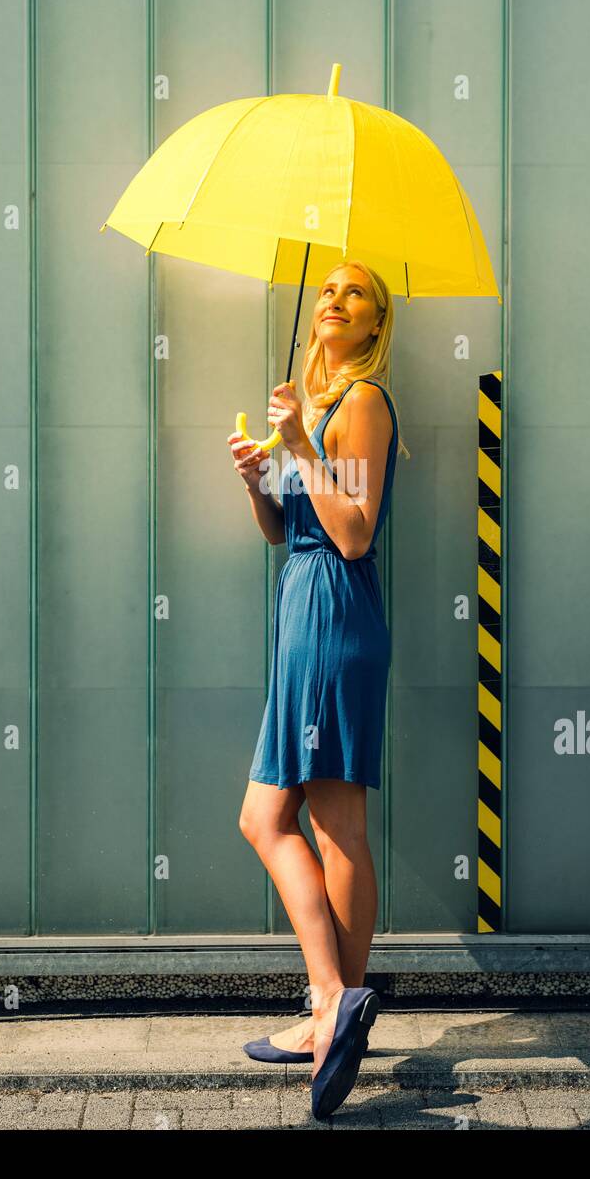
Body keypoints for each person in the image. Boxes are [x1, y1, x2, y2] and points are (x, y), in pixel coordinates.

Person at [228, 259, 407, 1119]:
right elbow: (285, 530)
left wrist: (298, 443)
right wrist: (257, 478)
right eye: (328, 291)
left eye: (355, 295)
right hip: (302, 605)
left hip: (335, 611)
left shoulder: (362, 404)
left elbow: (352, 533)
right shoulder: (307, 404)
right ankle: (330, 1012)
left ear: (374, 327)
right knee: (298, 820)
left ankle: (331, 1002)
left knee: (311, 823)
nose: (334, 300)